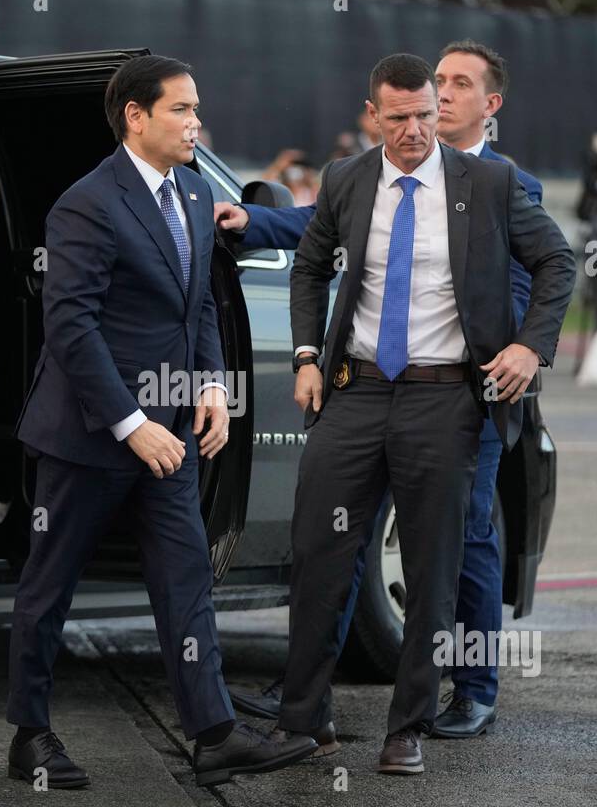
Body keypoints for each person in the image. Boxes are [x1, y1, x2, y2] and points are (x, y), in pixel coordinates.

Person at [5, 55, 317, 789]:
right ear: (136, 117)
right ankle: (29, 736)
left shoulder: (191, 190)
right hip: (88, 435)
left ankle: (213, 735)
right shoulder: (87, 203)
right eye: (181, 109)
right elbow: (71, 328)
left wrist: (209, 385)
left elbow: (201, 302)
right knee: (49, 586)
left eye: (196, 108)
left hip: (173, 432)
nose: (195, 122)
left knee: (185, 582)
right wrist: (129, 422)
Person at [217, 40, 543, 740]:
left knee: (468, 537)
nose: (446, 94)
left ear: (490, 105)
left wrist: (511, 351)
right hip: (369, 389)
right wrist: (254, 221)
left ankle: (475, 686)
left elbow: (526, 278)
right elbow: (322, 227)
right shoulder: (375, 174)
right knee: (344, 532)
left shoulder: (504, 183)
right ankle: (308, 684)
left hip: (469, 390)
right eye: (440, 81)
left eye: (460, 85)